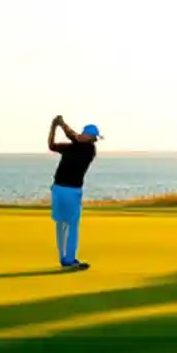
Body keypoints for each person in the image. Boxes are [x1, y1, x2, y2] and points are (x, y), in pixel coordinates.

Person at [47, 115, 100, 270]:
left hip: (62, 189)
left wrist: (60, 124)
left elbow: (71, 136)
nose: (93, 139)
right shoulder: (75, 147)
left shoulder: (89, 150)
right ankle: (67, 259)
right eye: (92, 136)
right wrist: (55, 127)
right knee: (67, 224)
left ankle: (66, 258)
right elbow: (52, 145)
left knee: (65, 224)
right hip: (66, 190)